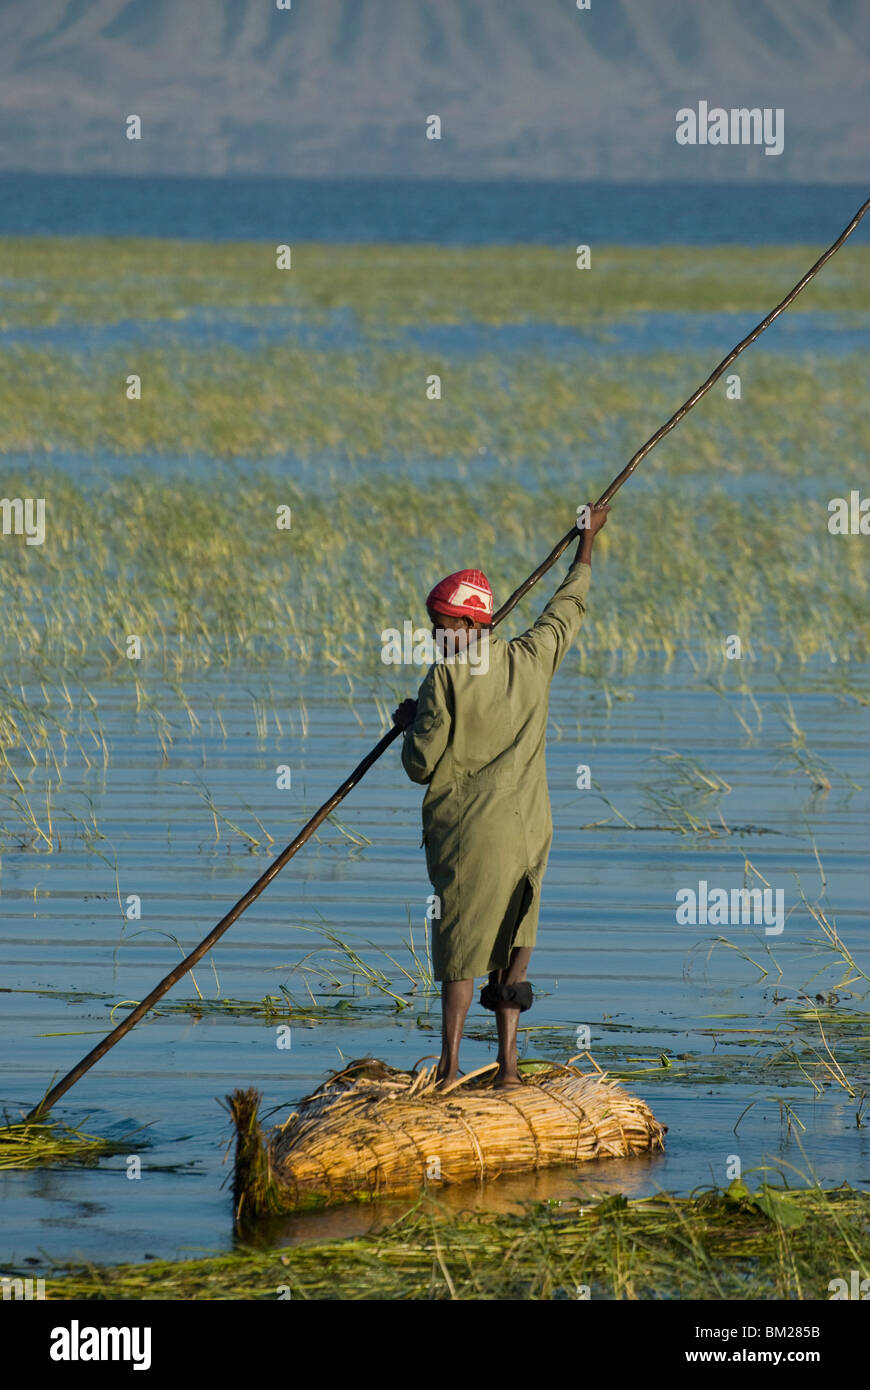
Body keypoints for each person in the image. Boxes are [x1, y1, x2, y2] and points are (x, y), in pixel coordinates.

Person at [393, 503, 610, 1088]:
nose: (437, 637)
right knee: (513, 941)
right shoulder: (533, 659)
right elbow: (568, 609)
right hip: (530, 831)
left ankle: (450, 1068)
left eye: (443, 626)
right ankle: (509, 1070)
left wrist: (409, 723)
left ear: (469, 627)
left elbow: (420, 765)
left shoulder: (443, 680)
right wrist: (586, 544)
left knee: (461, 949)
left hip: (471, 835)